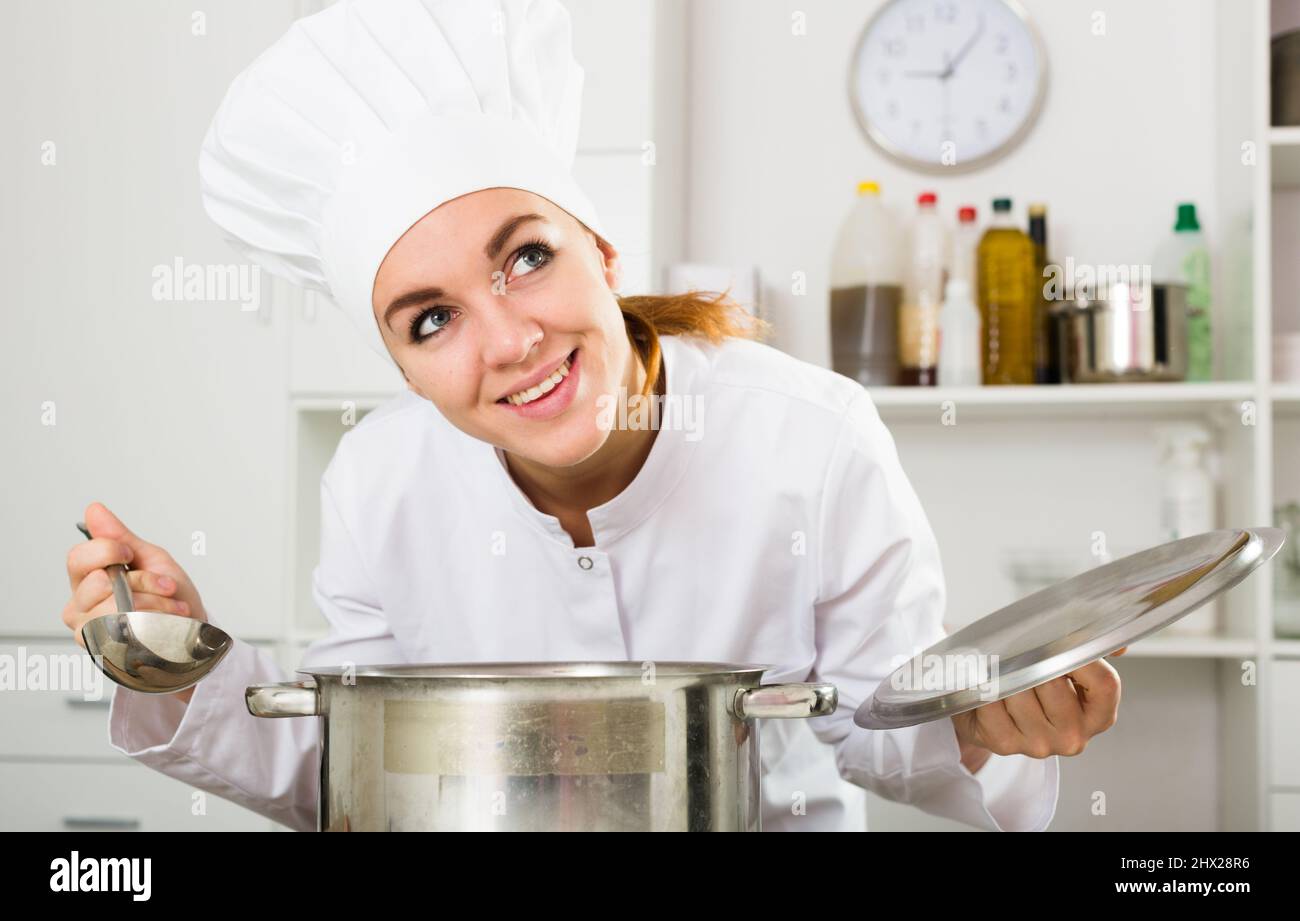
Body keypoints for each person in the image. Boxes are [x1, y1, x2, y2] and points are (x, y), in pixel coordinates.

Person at [61, 0, 1120, 832]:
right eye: (432, 321)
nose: (511, 340)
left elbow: (877, 721)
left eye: (526, 257)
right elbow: (361, 767)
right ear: (402, 367)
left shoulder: (811, 439)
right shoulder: (376, 483)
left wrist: (984, 722)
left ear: (603, 252)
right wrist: (185, 664)